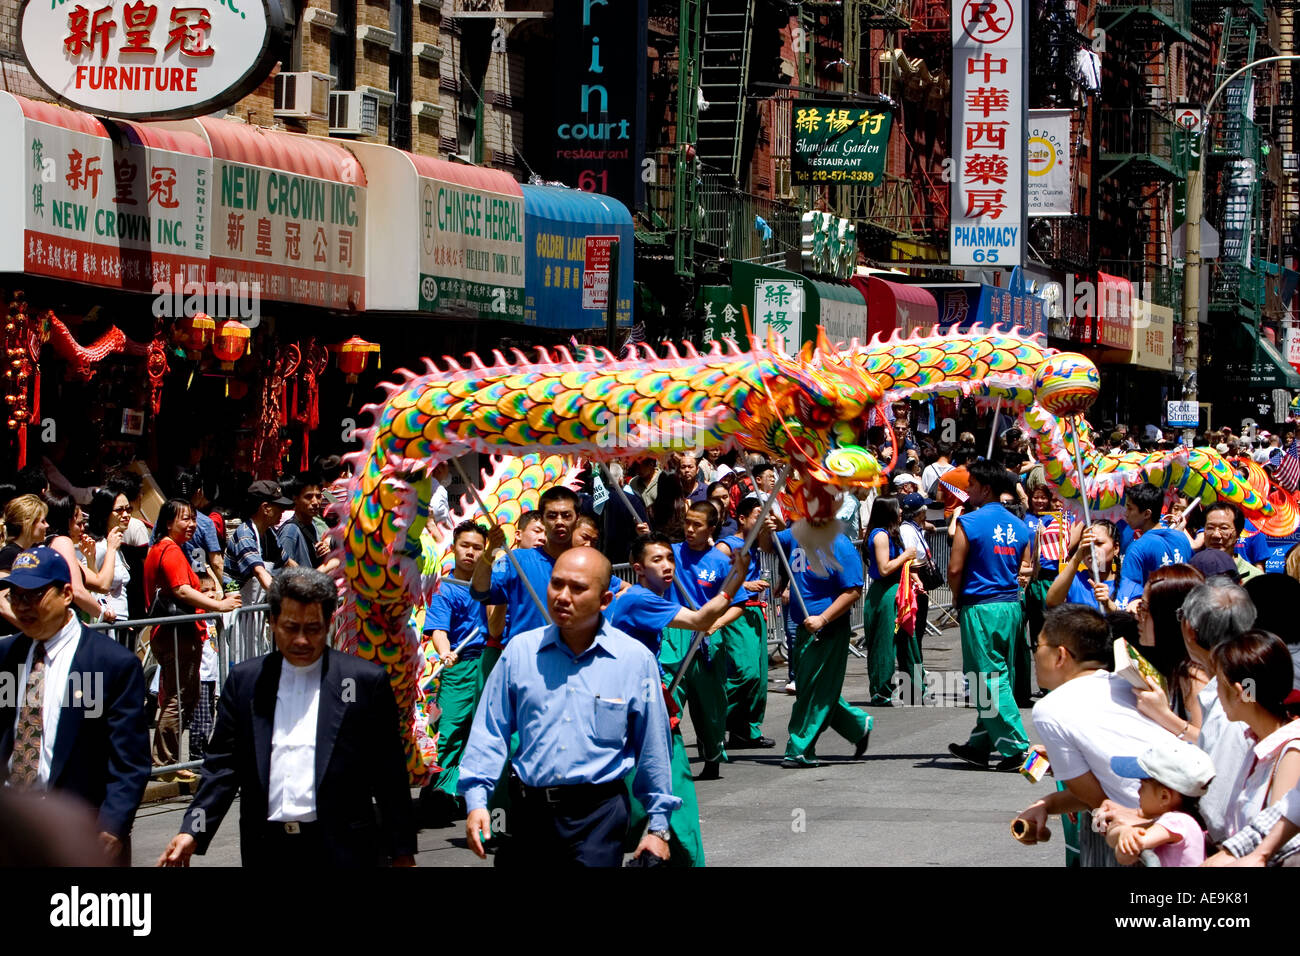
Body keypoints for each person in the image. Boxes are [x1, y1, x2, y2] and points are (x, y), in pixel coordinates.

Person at [159, 568, 416, 868]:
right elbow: (223, 767)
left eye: (313, 628)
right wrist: (193, 829)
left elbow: (389, 774)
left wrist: (402, 852)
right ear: (272, 623)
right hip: (267, 850)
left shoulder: (364, 683)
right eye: (291, 628)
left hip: (344, 849)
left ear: (329, 623)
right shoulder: (245, 683)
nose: (302, 640)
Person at [458, 548, 680, 867]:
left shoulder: (634, 661)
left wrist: (659, 828)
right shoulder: (520, 653)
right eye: (556, 584)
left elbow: (653, 747)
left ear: (605, 601)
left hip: (598, 817)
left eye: (577, 588)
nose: (563, 596)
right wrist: (477, 800)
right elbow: (490, 731)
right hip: (530, 814)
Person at [0, 547, 150, 864]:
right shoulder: (6, 657)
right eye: (15, 596)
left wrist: (111, 827)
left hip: (80, 836)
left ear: (67, 594)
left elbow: (129, 761)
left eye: (34, 595)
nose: (22, 607)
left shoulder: (108, 663)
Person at [605, 532, 748, 865]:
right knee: (674, 783)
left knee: (639, 788)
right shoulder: (640, 598)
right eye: (657, 560)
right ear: (638, 568)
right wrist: (735, 579)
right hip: (635, 707)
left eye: (670, 558)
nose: (667, 566)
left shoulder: (642, 596)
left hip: (635, 701)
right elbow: (700, 619)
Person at [1012, 605, 1179, 866]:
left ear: (1060, 656)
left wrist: (1045, 802)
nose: (1035, 655)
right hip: (1183, 817)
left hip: (1146, 836)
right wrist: (1045, 804)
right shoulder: (1125, 684)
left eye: (1038, 646)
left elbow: (1097, 799)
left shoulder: (1051, 709)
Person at [763, 515, 872, 769]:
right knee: (811, 687)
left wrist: (823, 618)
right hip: (802, 627)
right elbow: (769, 545)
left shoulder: (840, 544)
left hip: (827, 630)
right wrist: (766, 528)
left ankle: (800, 746)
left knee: (812, 691)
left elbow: (853, 590)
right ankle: (856, 725)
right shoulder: (796, 534)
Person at [144, 498, 241, 777]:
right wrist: (219, 605)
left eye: (192, 518)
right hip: (178, 634)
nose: (191, 524)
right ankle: (165, 763)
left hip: (175, 633)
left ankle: (167, 760)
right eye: (184, 519)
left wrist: (207, 598)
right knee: (180, 696)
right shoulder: (170, 550)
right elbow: (181, 590)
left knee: (183, 694)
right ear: (168, 522)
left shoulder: (163, 548)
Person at [946, 461, 1031, 771]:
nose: (967, 491)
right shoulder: (1020, 525)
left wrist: (956, 598)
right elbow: (1024, 566)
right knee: (998, 674)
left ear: (985, 488)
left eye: (971, 486)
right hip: (1010, 605)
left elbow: (955, 569)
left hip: (981, 605)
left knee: (987, 678)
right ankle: (980, 744)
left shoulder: (969, 523)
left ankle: (1017, 748)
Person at [1200, 630, 1300, 861]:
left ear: (1239, 693)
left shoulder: (1291, 752)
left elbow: (1278, 845)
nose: (1216, 693)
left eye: (1218, 683)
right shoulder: (1255, 740)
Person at [418, 521, 492, 826]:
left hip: (490, 662)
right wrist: (444, 650)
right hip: (459, 666)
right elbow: (438, 629)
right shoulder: (447, 588)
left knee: (487, 730)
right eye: (465, 546)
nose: (471, 552)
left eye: (477, 547)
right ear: (455, 546)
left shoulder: (494, 583)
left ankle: (479, 792)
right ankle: (442, 793)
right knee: (451, 730)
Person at [664, 501, 736, 778]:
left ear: (711, 528)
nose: (690, 529)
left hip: (708, 639)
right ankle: (670, 760)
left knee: (710, 705)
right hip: (674, 635)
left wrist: (715, 623)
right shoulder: (670, 554)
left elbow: (737, 604)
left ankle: (712, 757)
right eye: (687, 522)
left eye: (697, 525)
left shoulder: (721, 562)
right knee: (667, 699)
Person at [471, 486, 579, 668]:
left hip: (574, 661)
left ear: (577, 518)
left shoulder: (588, 562)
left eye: (566, 515)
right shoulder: (516, 561)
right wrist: (491, 550)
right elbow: (480, 591)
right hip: (527, 663)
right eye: (552, 516)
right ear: (543, 521)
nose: (559, 521)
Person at [713, 498, 774, 748]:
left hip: (756, 612)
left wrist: (770, 523)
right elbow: (716, 579)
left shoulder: (759, 543)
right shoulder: (726, 546)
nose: (761, 519)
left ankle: (745, 731)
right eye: (757, 514)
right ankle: (713, 717)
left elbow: (776, 541)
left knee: (758, 678)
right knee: (744, 673)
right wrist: (746, 585)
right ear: (741, 517)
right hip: (736, 612)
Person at [1105, 741, 1216, 866]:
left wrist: (1126, 835)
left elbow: (1130, 849)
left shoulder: (1176, 821)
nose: (1138, 791)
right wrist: (1125, 832)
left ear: (1164, 796)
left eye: (1142, 785)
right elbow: (1115, 842)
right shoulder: (1177, 822)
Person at [861, 498, 920, 706]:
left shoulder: (891, 534)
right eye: (897, 508)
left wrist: (915, 579)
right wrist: (906, 555)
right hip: (885, 594)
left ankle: (914, 688)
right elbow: (885, 568)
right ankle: (881, 690)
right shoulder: (880, 536)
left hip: (898, 590)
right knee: (885, 643)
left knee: (908, 640)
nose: (901, 511)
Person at [1115, 483, 1193, 607]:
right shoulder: (1182, 539)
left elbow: (1128, 596)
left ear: (1147, 514)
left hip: (1154, 616)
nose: (1126, 514)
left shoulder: (1138, 548)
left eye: (1130, 508)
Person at [42, 493, 114, 624]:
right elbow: (78, 590)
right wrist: (112, 547)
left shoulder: (49, 544)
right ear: (68, 521)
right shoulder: (62, 542)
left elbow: (100, 584)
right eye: (79, 523)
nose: (83, 528)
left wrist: (90, 558)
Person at [85, 488, 133, 637]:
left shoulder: (116, 546)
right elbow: (91, 587)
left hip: (119, 623)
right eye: (119, 510)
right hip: (105, 626)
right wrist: (104, 613)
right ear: (105, 513)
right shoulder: (99, 547)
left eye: (128, 509)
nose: (126, 515)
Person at [0, 495, 50, 638]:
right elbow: (2, 603)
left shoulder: (25, 555)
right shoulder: (9, 555)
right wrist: (37, 630)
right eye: (42, 521)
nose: (47, 526)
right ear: (28, 524)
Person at [1045, 519, 1119, 612]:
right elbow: (1052, 602)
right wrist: (1076, 559)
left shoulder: (1129, 586)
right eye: (1087, 544)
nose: (1092, 549)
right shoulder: (1073, 580)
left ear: (1115, 548)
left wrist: (1109, 605)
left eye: (1099, 544)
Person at [898, 493, 936, 662]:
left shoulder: (915, 527)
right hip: (914, 579)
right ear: (920, 512)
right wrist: (916, 580)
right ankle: (913, 661)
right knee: (915, 624)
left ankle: (917, 660)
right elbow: (909, 558)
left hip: (921, 577)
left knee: (920, 624)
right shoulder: (906, 530)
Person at [174, 470, 224, 590]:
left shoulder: (164, 519)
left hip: (173, 583)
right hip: (198, 585)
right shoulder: (205, 523)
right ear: (199, 492)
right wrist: (231, 589)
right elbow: (217, 563)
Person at [277, 473, 332, 572]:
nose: (315, 502)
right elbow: (282, 574)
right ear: (295, 498)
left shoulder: (311, 524)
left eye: (318, 496)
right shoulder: (290, 532)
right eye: (308, 497)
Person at [1202, 502, 1260, 583]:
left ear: (1238, 534)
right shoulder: (1193, 573)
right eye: (1210, 528)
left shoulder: (1253, 577)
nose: (1216, 535)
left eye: (1224, 528)